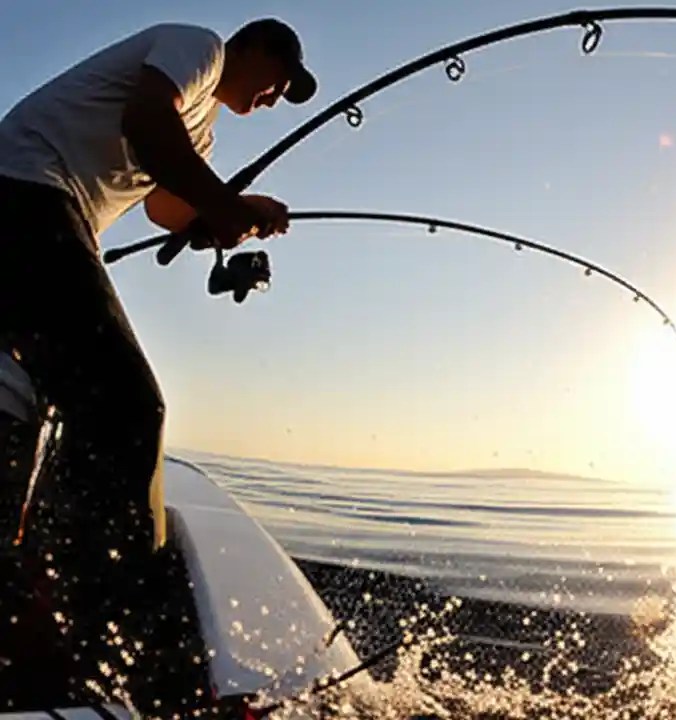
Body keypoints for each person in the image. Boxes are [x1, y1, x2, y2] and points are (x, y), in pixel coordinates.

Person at [0, 17, 318, 712]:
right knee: (125, 408)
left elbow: (164, 205)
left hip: (39, 217)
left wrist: (230, 215)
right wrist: (223, 202)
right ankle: (102, 642)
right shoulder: (196, 47)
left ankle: (24, 619)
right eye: (280, 83)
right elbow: (147, 123)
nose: (274, 99)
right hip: (24, 194)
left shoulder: (200, 129)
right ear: (256, 49)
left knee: (25, 409)